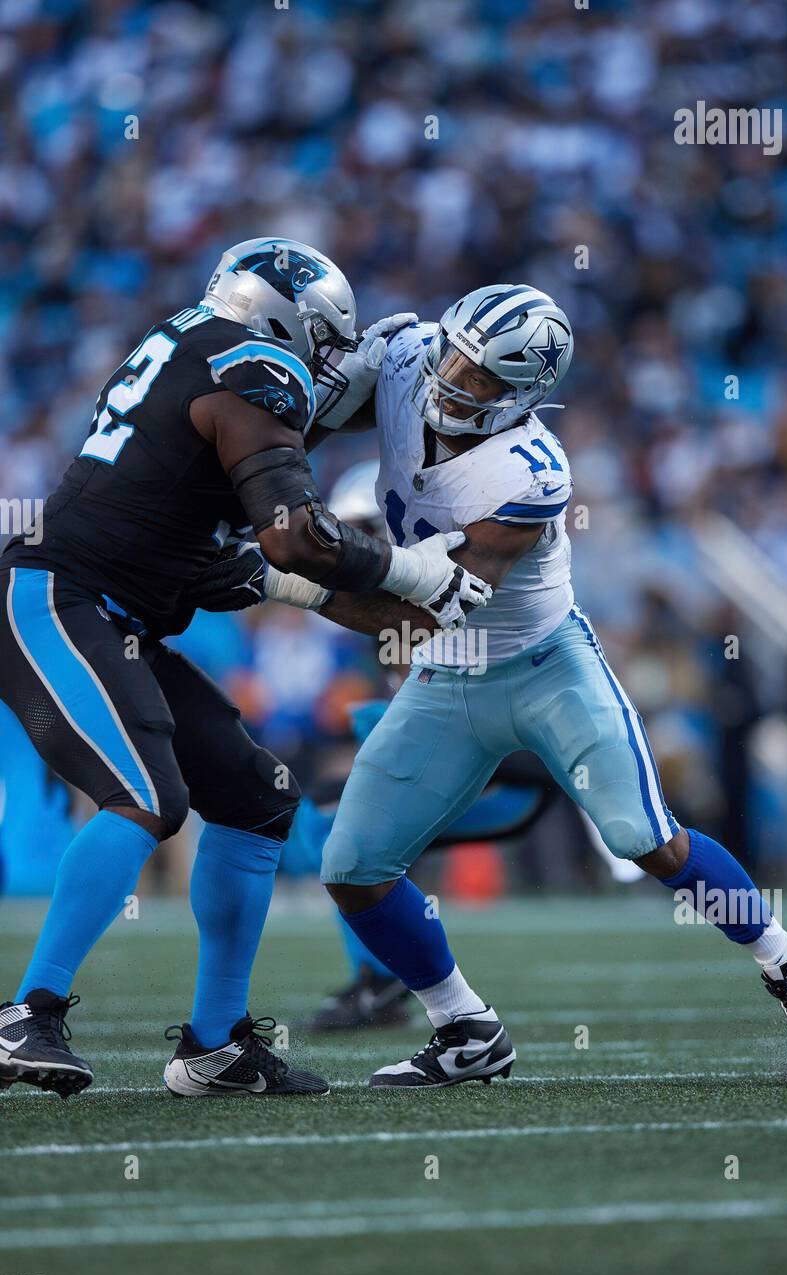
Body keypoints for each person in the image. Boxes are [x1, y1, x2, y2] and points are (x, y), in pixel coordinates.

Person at [305, 283, 787, 1086]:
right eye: (453, 354)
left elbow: (420, 611)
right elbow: (303, 425)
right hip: (447, 682)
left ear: (523, 395)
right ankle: (464, 1025)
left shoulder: (526, 473)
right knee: (352, 868)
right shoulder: (406, 358)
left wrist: (295, 580)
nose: (452, 378)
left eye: (481, 377)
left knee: (646, 838)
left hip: (543, 665)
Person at [0, 238, 490, 1099]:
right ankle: (25, 1015)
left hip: (108, 609)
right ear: (285, 325)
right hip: (53, 597)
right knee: (148, 796)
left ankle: (216, 1044)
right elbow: (294, 536)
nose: (330, 369)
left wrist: (415, 610)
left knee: (257, 800)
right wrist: (419, 576)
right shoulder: (253, 370)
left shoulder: (201, 350)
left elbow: (250, 563)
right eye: (325, 344)